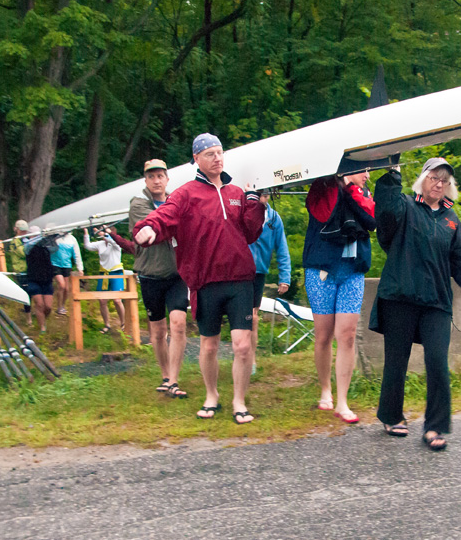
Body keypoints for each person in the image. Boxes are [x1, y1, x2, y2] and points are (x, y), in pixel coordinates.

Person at [134, 134, 265, 424]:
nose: (217, 158)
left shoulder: (235, 192)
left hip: (240, 278)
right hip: (205, 282)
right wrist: (148, 228)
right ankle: (212, 395)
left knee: (243, 345)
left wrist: (255, 202)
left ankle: (239, 401)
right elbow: (165, 216)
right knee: (209, 346)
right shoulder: (186, 194)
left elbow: (251, 232)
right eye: (209, 154)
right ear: (196, 159)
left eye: (220, 152)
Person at [369, 159, 461, 450]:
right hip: (400, 296)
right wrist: (392, 172)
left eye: (444, 180)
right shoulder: (405, 207)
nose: (439, 184)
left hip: (436, 302)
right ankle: (391, 416)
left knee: (437, 362)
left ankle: (435, 427)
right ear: (423, 179)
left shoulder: (452, 220)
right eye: (434, 178)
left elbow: (458, 262)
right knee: (396, 361)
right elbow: (384, 210)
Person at [302, 171, 376, 424]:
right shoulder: (322, 187)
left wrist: (354, 192)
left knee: (347, 335)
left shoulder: (363, 194)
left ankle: (343, 401)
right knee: (323, 335)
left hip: (353, 271)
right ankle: (326, 389)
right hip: (321, 270)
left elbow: (372, 219)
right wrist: (341, 185)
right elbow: (324, 214)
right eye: (363, 170)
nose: (367, 175)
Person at [117, 159, 190, 398]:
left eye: (160, 176)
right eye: (151, 177)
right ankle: (165, 374)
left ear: (167, 179)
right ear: (145, 181)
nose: (156, 180)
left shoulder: (176, 200)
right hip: (150, 274)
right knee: (158, 331)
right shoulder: (138, 204)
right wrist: (177, 221)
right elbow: (155, 228)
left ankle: (174, 380)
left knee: (178, 324)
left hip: (176, 273)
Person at [248, 190, 292, 374]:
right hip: (239, 270)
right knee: (241, 315)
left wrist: (285, 278)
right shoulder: (243, 212)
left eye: (266, 195)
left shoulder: (274, 219)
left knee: (253, 316)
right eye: (259, 195)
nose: (262, 200)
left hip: (259, 272)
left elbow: (282, 248)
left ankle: (250, 360)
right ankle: (241, 353)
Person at [82, 226, 126, 333]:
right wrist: (86, 232)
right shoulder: (100, 244)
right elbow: (87, 246)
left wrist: (106, 234)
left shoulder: (116, 244)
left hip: (116, 272)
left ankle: (123, 323)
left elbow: (114, 241)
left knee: (117, 300)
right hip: (104, 273)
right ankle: (107, 324)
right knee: (102, 300)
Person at [22, 226, 57, 333]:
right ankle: (42, 328)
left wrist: (52, 237)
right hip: (33, 278)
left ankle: (42, 319)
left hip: (46, 278)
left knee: (48, 307)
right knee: (39, 304)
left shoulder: (46, 245)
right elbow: (30, 244)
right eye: (35, 234)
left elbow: (55, 248)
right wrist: (41, 236)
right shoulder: (28, 245)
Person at [50, 228, 84, 315]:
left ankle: (62, 306)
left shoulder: (72, 239)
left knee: (66, 288)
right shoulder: (55, 237)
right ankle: (59, 306)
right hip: (55, 264)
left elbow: (77, 254)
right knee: (61, 285)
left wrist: (80, 268)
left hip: (67, 265)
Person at [8, 219, 32, 323]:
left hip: (30, 270)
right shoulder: (15, 242)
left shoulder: (26, 240)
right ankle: (28, 318)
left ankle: (31, 312)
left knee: (32, 292)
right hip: (21, 271)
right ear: (16, 230)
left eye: (25, 230)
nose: (24, 232)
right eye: (21, 230)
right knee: (26, 294)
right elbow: (23, 253)